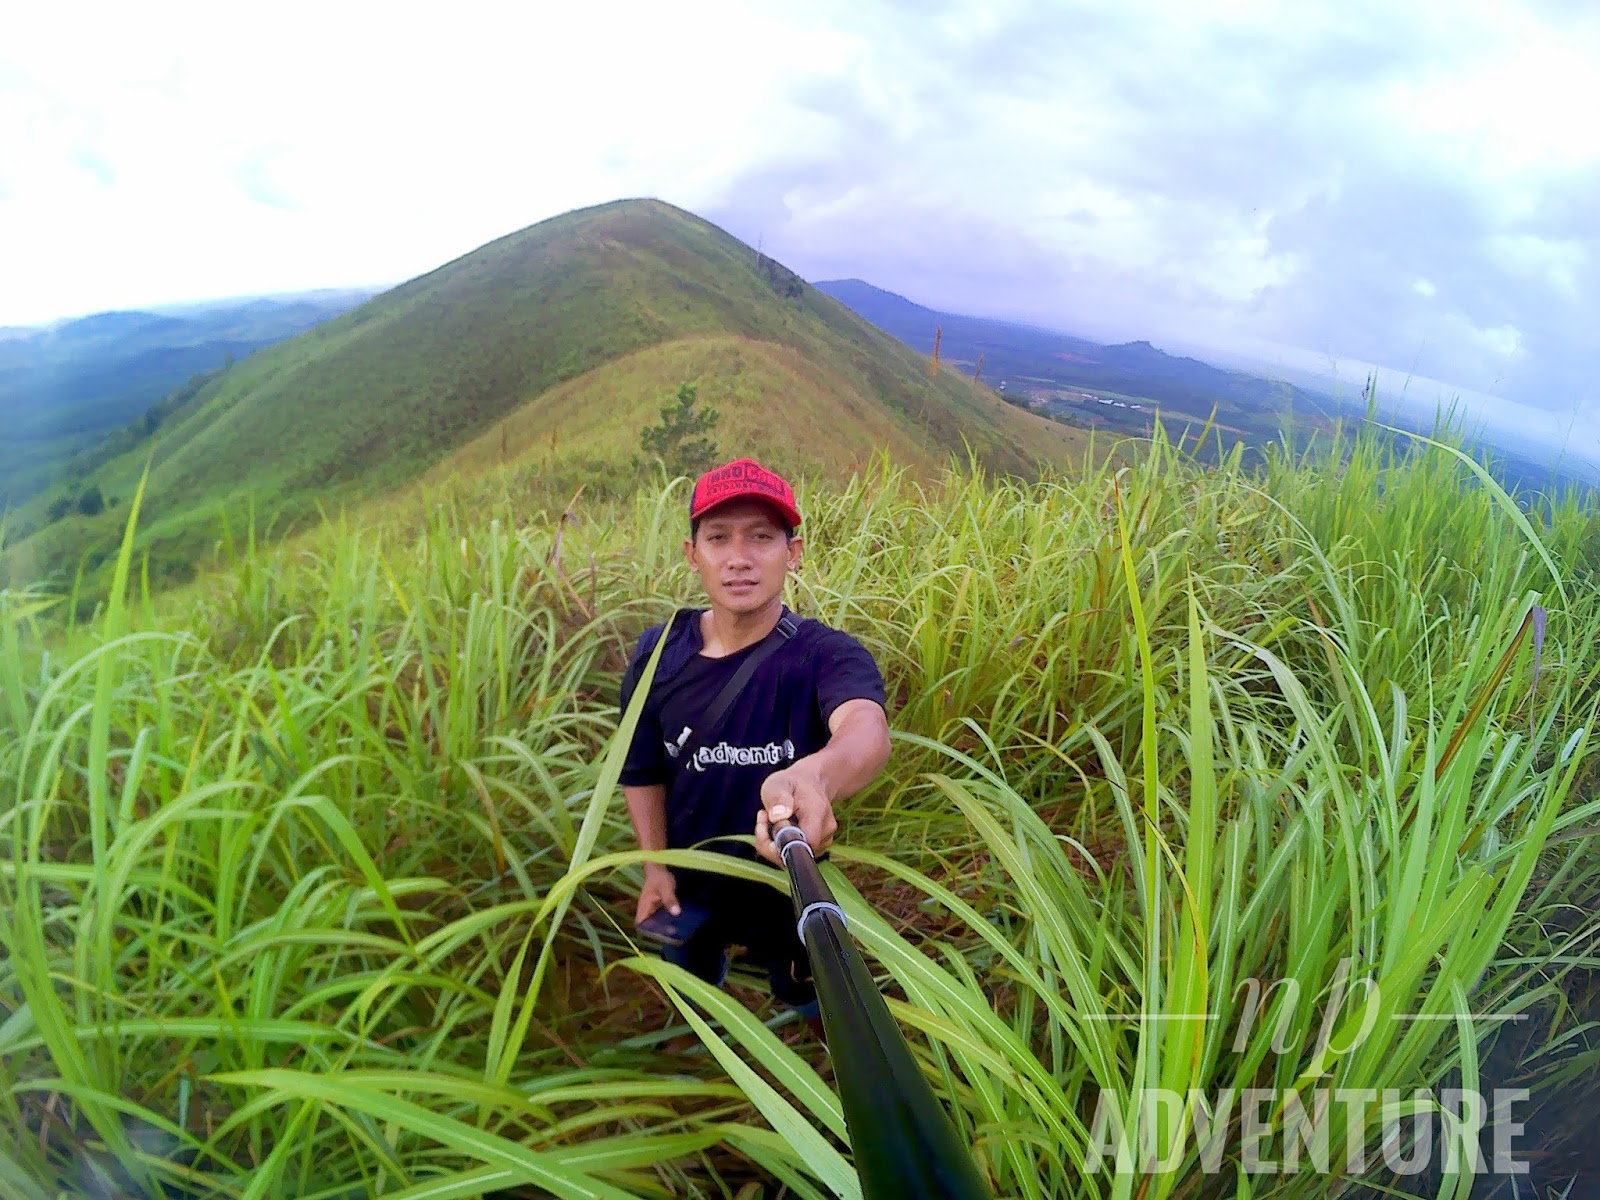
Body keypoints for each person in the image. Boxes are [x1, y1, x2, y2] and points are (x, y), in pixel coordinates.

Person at [618, 457, 892, 1037]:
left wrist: (817, 775)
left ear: (793, 552)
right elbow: (641, 771)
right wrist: (654, 867)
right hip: (691, 882)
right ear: (693, 554)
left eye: (761, 537)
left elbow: (865, 728)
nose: (739, 558)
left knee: (811, 993)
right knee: (693, 985)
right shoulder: (656, 655)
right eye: (718, 538)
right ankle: (708, 1046)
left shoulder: (825, 654)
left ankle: (829, 1056)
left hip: (788, 887)